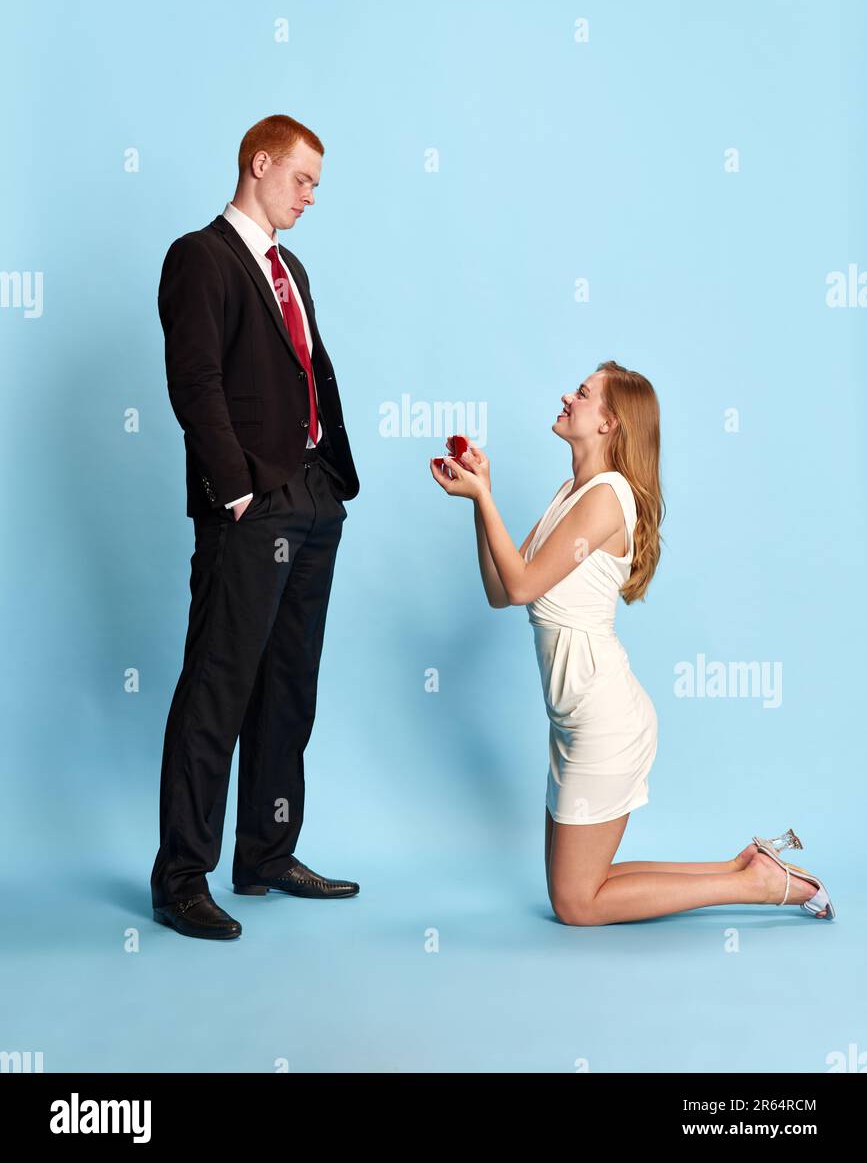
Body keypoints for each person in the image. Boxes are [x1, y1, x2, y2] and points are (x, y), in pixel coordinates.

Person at [430, 360, 835, 925]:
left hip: (604, 719)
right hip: (574, 717)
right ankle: (753, 869)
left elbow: (520, 586)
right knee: (582, 888)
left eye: (584, 393)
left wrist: (486, 498)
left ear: (610, 424)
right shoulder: (571, 492)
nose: (567, 396)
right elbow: (502, 590)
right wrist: (481, 500)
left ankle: (764, 889)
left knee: (576, 904)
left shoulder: (607, 496)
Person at [150, 113, 361, 940]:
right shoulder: (198, 257)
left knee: (288, 689)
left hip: (311, 497)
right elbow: (195, 378)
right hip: (249, 508)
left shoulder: (290, 266)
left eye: (316, 186)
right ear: (260, 163)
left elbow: (306, 371)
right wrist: (233, 491)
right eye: (302, 180)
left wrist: (326, 481)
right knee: (218, 688)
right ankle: (180, 879)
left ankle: (267, 854)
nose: (310, 197)